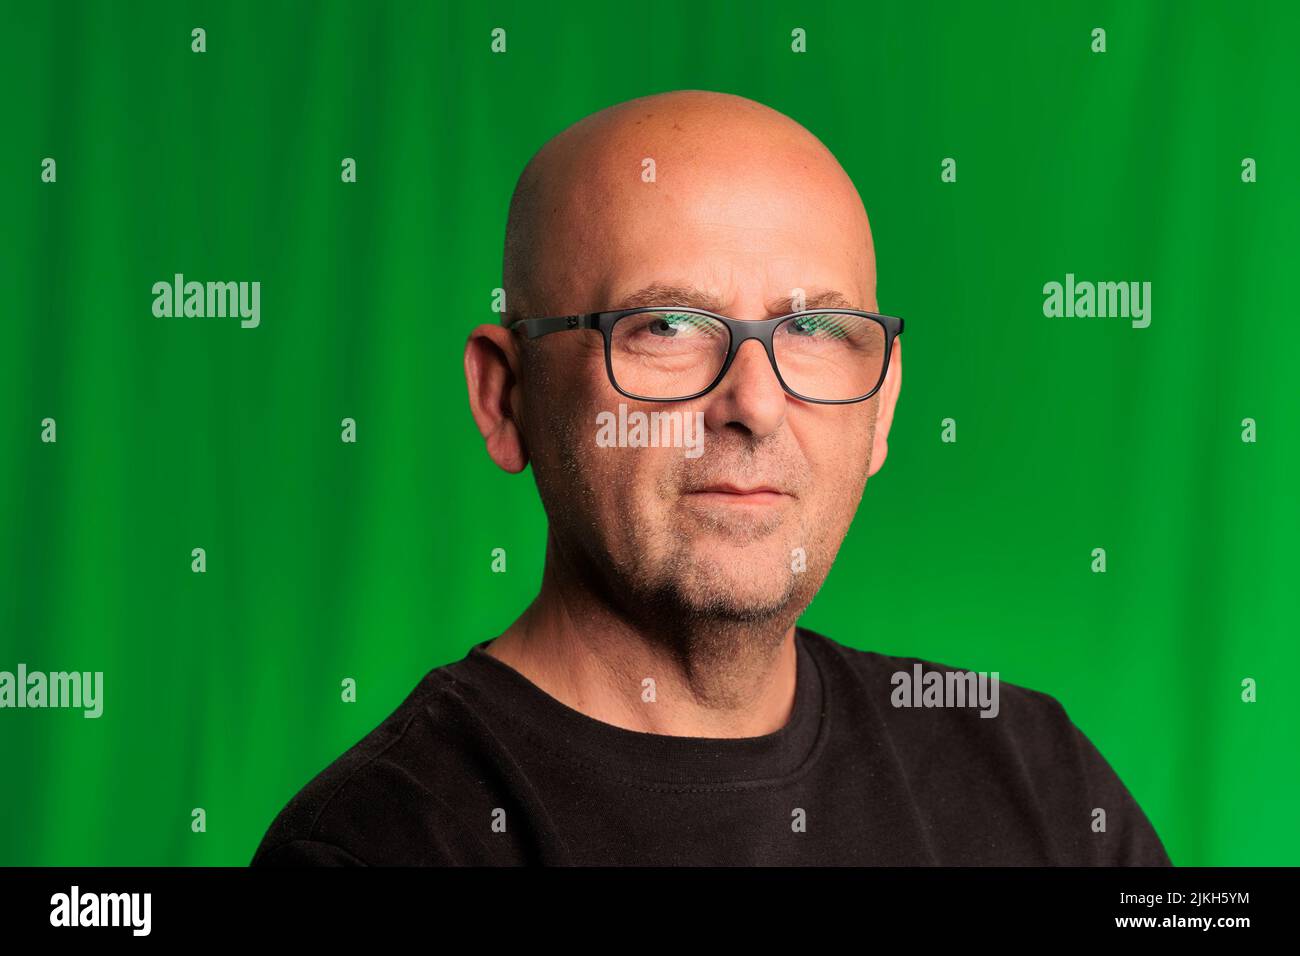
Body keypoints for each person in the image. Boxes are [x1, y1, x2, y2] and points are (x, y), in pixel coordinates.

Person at [251, 89, 1170, 866]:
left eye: (815, 332)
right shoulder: (384, 846)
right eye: (667, 327)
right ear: (505, 398)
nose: (754, 405)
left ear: (883, 406)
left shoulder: (1037, 785)